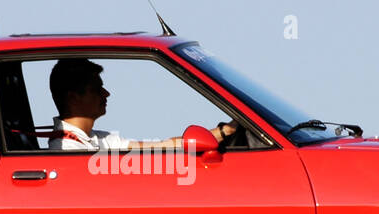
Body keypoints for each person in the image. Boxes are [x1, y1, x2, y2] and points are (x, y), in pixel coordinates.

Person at [46, 58, 237, 151]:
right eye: (97, 89)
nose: (106, 93)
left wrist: (223, 131)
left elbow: (160, 146)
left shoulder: (99, 139)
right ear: (74, 98)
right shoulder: (66, 149)